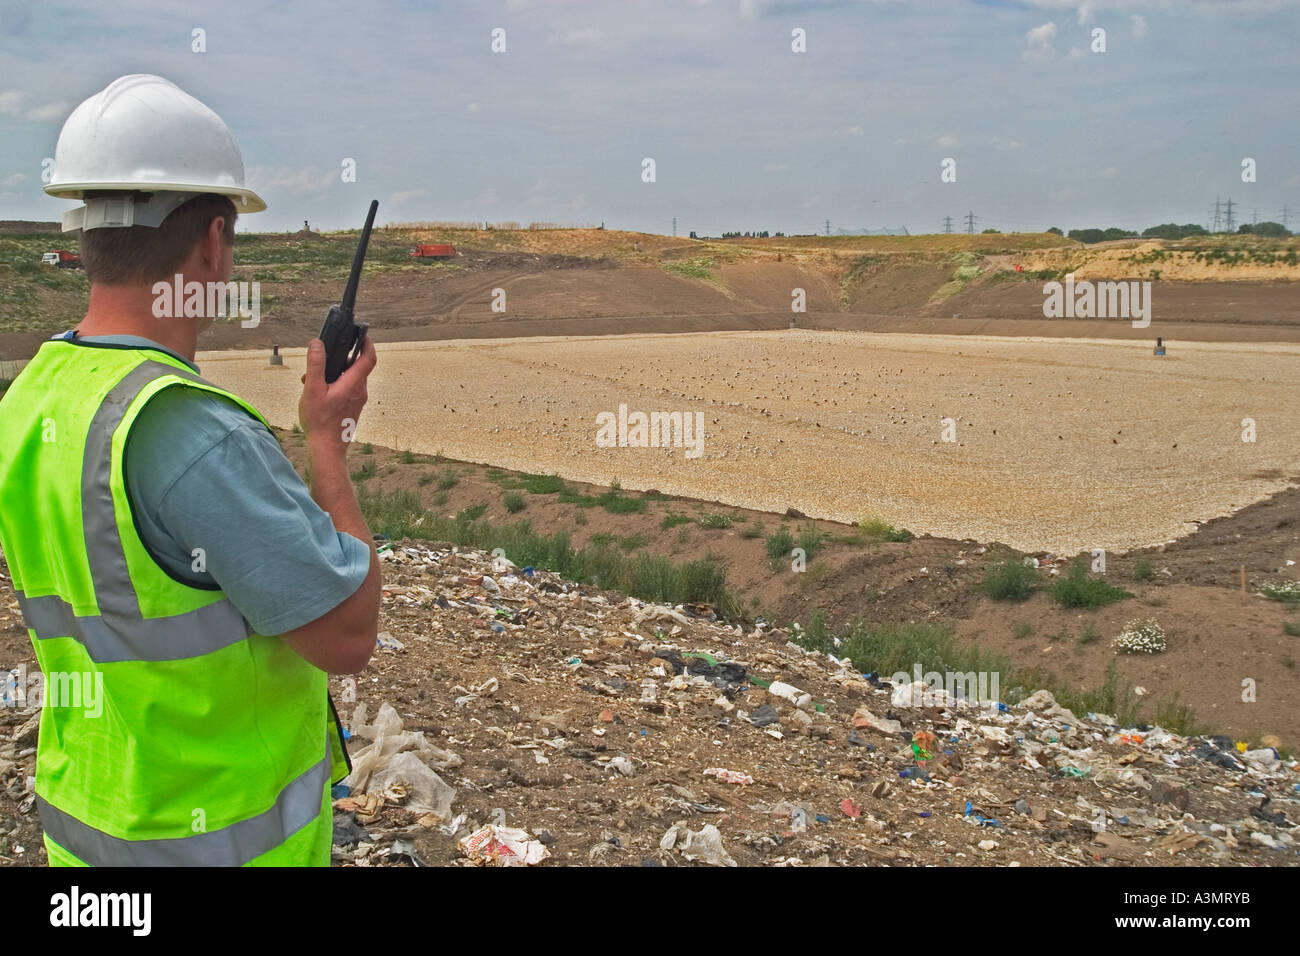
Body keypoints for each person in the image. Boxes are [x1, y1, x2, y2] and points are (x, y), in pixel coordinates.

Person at [0, 74, 381, 866]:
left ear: (83, 232)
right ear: (211, 242)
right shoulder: (191, 434)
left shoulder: (30, 399)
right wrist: (328, 449)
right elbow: (346, 635)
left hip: (92, 836)